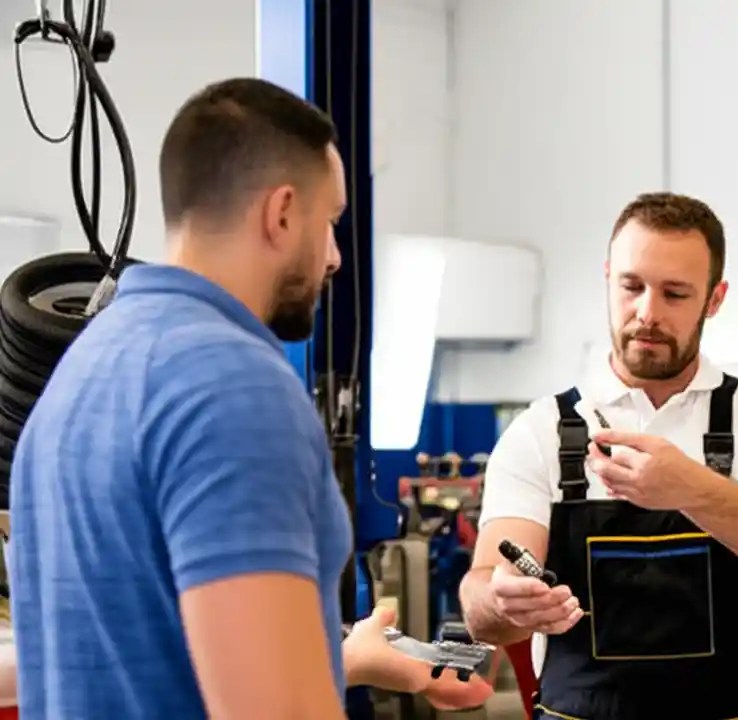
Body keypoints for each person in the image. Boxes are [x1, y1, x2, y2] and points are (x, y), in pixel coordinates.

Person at [8, 78, 489, 719]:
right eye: (332, 222)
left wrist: (341, 653)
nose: (336, 257)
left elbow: (153, 651)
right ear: (282, 213)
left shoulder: (77, 377)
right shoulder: (234, 385)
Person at [459, 192, 738, 719]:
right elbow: (485, 599)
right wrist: (502, 600)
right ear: (607, 279)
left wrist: (689, 487)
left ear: (714, 300)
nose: (647, 313)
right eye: (631, 286)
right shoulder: (541, 432)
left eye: (675, 294)